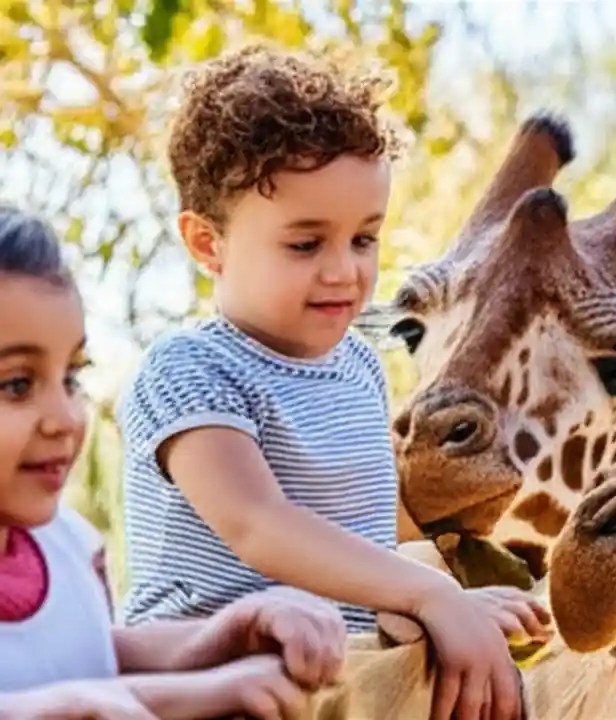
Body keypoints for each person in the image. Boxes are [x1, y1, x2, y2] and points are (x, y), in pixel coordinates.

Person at [114, 44, 548, 720]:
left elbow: (375, 534)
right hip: (206, 681)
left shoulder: (358, 365)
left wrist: (446, 591)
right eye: (305, 244)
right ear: (207, 243)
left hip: (341, 672)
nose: (345, 272)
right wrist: (427, 598)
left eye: (364, 239)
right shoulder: (189, 371)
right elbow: (259, 525)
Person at [0, 206, 347, 719]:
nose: (66, 418)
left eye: (71, 377)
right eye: (17, 384)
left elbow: (86, 656)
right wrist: (199, 694)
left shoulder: (69, 549)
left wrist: (225, 634)